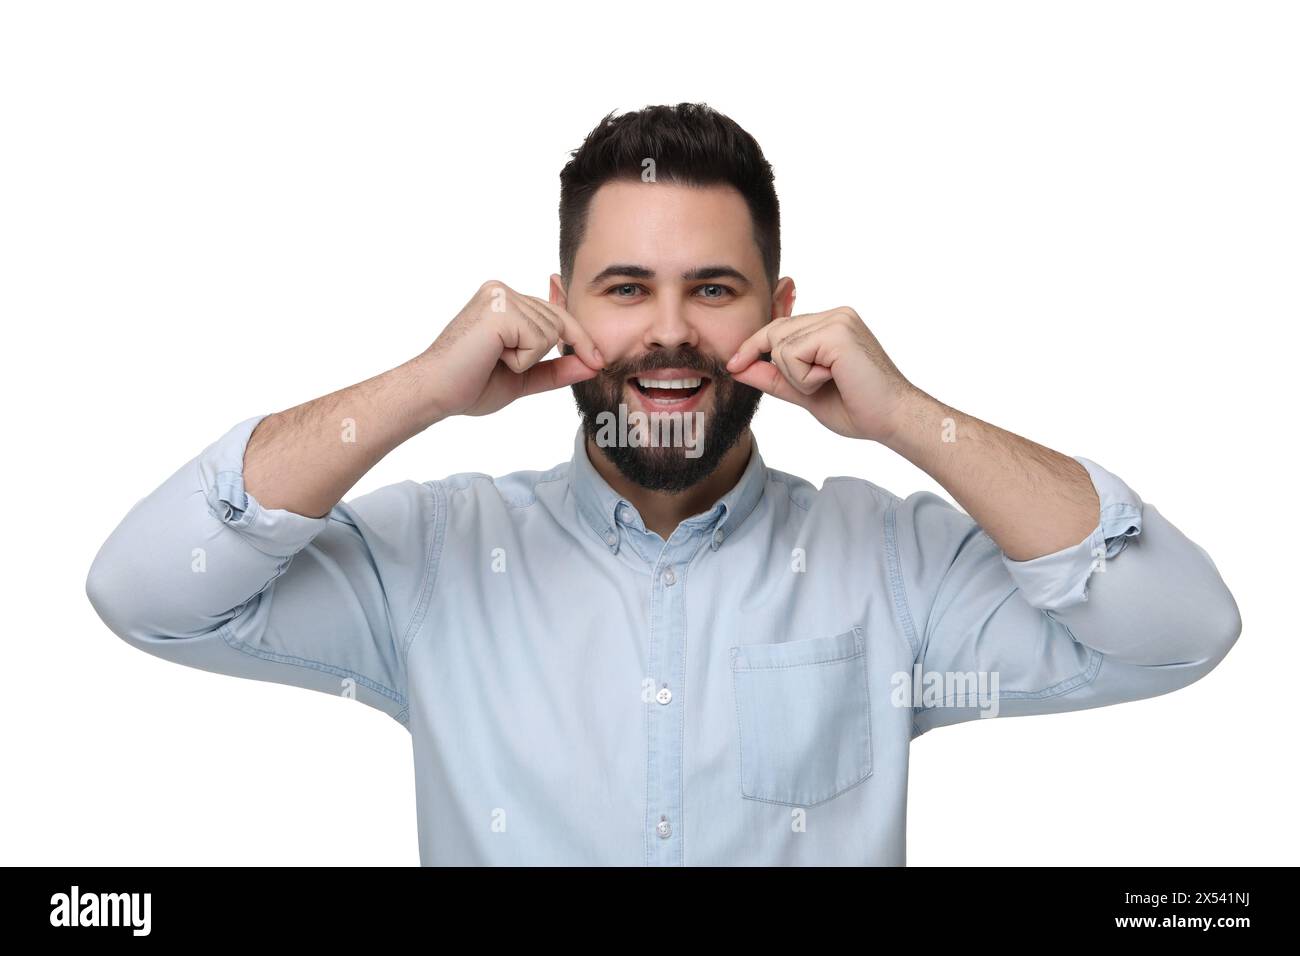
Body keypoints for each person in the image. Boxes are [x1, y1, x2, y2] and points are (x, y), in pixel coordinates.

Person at [85, 102, 1242, 865]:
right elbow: (146, 589)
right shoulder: (433, 559)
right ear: (559, 303)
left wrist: (906, 419)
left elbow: (1178, 630)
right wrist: (418, 391)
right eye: (626, 287)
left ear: (782, 314)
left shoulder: (895, 562)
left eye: (715, 288)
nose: (670, 333)